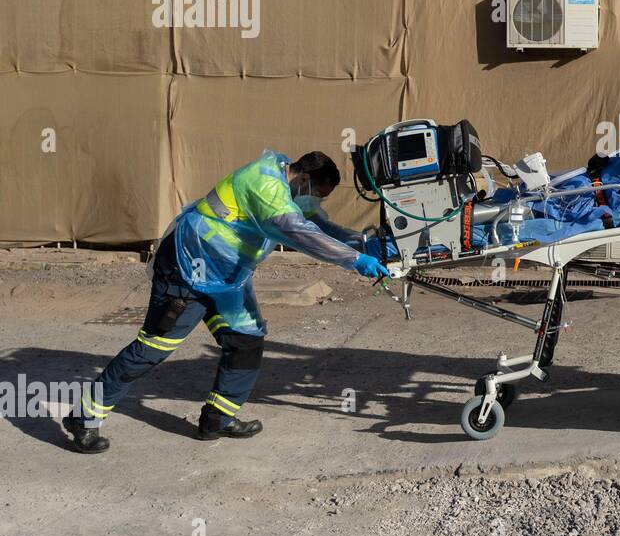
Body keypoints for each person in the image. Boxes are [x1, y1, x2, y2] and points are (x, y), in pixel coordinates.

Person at [61, 150, 390, 454]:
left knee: (246, 341)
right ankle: (85, 417)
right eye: (318, 194)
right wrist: (355, 261)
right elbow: (301, 234)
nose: (316, 201)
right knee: (153, 349)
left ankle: (217, 419)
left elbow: (315, 223)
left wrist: (362, 243)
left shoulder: (286, 180)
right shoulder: (266, 188)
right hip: (187, 268)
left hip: (225, 277)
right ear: (304, 179)